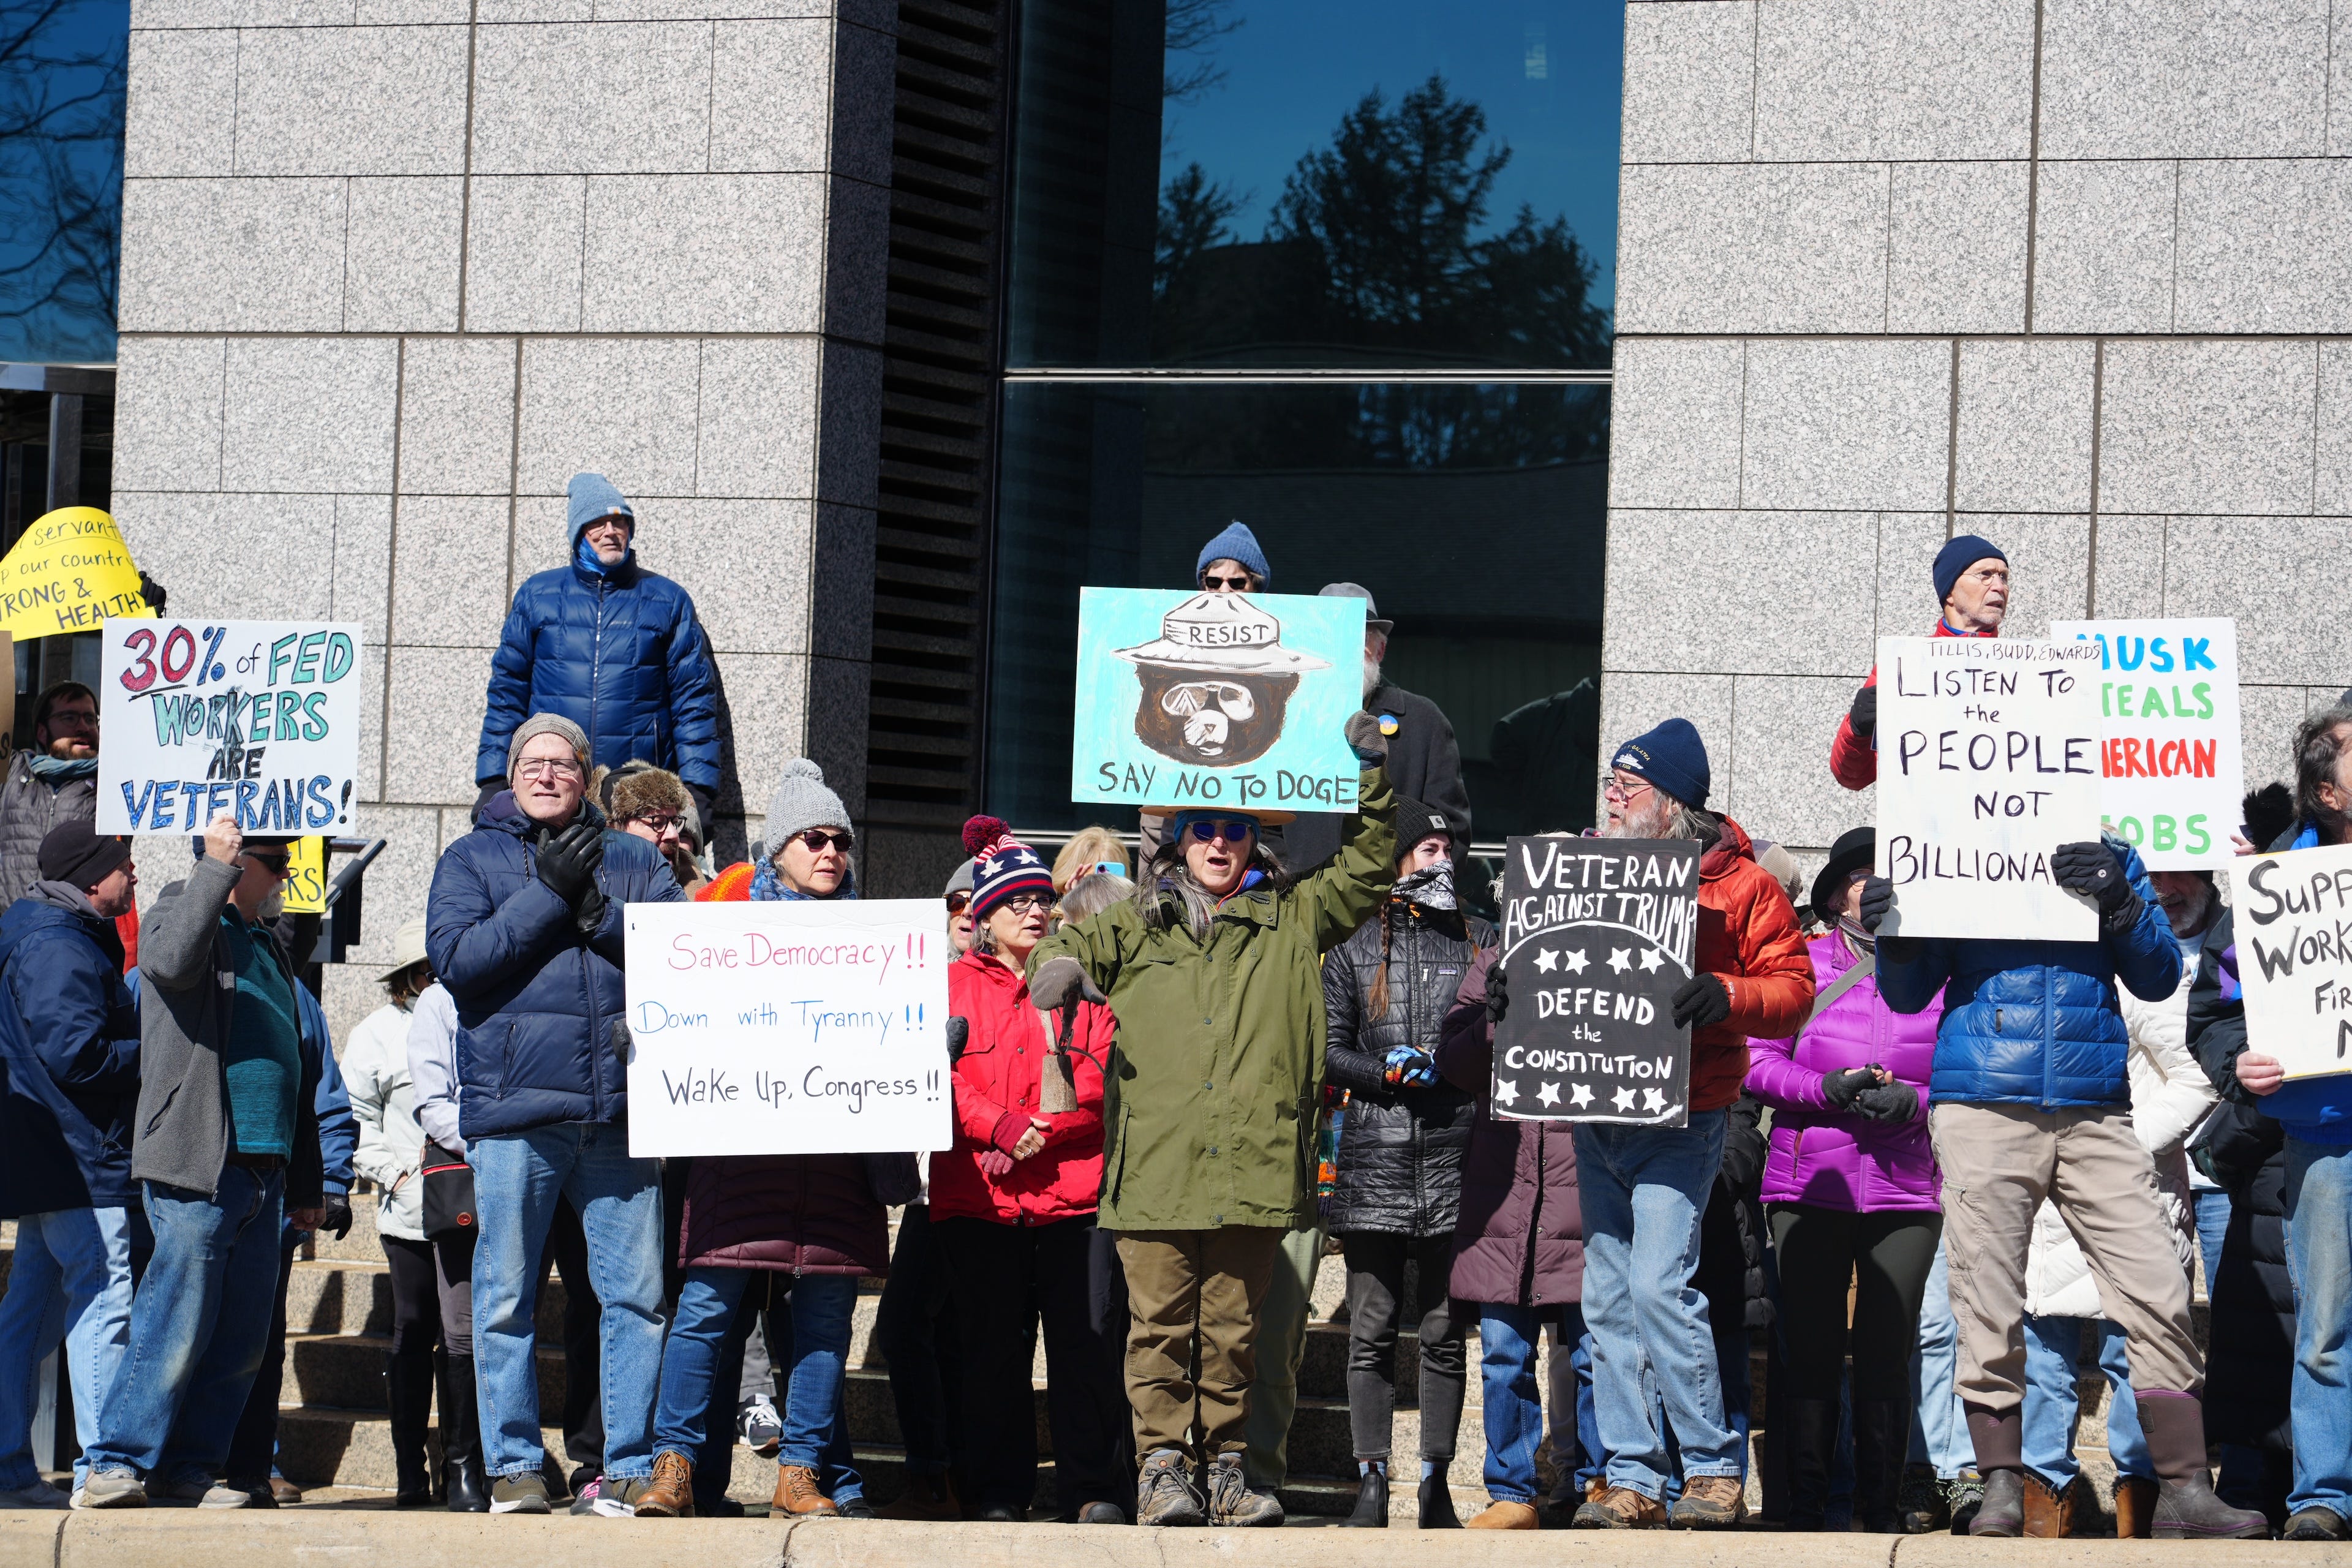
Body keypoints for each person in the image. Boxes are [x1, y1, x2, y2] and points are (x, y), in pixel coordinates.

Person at [1026, 710, 1395, 1528]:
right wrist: (1057, 968)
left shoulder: (1296, 918)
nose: (1219, 844)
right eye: (1204, 831)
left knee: (1233, 1334)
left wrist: (1369, 771)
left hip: (1251, 1170)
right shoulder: (1136, 923)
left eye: (1235, 830)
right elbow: (1072, 948)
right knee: (1157, 1332)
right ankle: (1162, 1472)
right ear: (1180, 842)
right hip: (1157, 1169)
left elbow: (1370, 867)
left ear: (1253, 843)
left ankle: (1230, 1472)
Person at [1861, 822, 2266, 1540]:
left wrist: (2119, 898)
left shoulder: (2114, 849)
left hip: (2096, 1105)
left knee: (2157, 1286)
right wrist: (1891, 930)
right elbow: (1907, 991)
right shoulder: (1949, 838)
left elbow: (2158, 974)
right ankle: (2001, 1488)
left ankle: (2183, 1486)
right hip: (1981, 1096)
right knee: (1985, 1296)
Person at [428, 713, 684, 1515]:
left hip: (618, 1117)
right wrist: (546, 896)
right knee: (505, 1299)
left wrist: (599, 917)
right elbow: (459, 964)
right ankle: (513, 1467)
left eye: (562, 764)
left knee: (636, 1299)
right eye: (531, 763)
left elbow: (688, 958)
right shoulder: (471, 858)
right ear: (512, 775)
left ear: (586, 777)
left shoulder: (636, 860)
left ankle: (629, 1464)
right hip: (516, 1119)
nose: (545, 775)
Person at [1567, 719, 1812, 1529]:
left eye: (1627, 784)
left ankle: (1709, 1467)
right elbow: (1541, 962)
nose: (1613, 796)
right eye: (1611, 781)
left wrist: (1728, 993)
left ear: (1670, 802)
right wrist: (1515, 996)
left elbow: (1794, 991)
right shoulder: (1585, 870)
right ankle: (1633, 1474)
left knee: (1655, 1284)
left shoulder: (1743, 885)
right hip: (1597, 1110)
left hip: (1687, 1109)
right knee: (1605, 1298)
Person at [632, 759, 889, 1521]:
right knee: (704, 1314)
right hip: (738, 1165)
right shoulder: (722, 936)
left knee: (822, 1327)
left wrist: (922, 1047)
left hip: (837, 1172)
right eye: (813, 837)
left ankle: (800, 1473)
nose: (830, 852)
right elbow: (681, 1020)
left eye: (841, 840)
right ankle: (672, 1464)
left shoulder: (878, 946)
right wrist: (648, 1038)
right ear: (776, 848)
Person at [78, 816, 328, 1509]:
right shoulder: (176, 909)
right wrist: (211, 871)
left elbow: (295, 1065)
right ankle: (115, 1463)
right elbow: (167, 963)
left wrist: (306, 1178)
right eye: (274, 863)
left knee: (241, 1335)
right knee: (173, 1315)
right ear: (232, 860)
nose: (283, 875)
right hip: (199, 1159)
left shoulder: (266, 947)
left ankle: (188, 1471)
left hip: (263, 1169)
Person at [1743, 826, 1943, 1532]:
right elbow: (1755, 1061)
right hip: (1809, 1182)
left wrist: (1913, 1102)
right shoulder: (1799, 962)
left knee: (1890, 1346)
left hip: (1908, 1185)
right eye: (1862, 874)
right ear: (1834, 896)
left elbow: (1962, 1073)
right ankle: (1804, 1506)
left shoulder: (1940, 970)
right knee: (1812, 1347)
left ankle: (1880, 1509)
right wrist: (1824, 1088)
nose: (1878, 885)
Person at [930, 816, 1129, 1523]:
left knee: (1086, 1352)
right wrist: (996, 1124)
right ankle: (998, 1492)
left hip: (1073, 1201)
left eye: (1042, 898)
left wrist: (1036, 1134)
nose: (1036, 910)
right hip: (979, 1202)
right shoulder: (949, 985)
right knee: (991, 1358)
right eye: (1018, 900)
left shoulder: (1084, 981)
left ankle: (1092, 1490)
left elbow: (1104, 1078)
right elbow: (936, 1078)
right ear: (983, 912)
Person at [2015, 867, 2218, 1537]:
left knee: (2132, 1352)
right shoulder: (2028, 968)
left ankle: (2143, 1497)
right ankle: (2043, 1501)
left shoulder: (2139, 972)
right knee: (2041, 1353)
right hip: (2047, 1205)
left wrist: (2125, 1148)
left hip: (2128, 1190)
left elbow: (2196, 1078)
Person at [2189, 704, 2352, 1540]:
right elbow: (2215, 1013)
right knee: (2327, 1325)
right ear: (2328, 790)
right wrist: (2238, 1064)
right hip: (2327, 1135)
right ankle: (2326, 1495)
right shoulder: (2278, 892)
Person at [1321, 797, 1479, 1529]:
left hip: (1457, 1159)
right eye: (1426, 851)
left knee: (1446, 1333)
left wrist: (1451, 1067)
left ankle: (1436, 1480)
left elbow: (1501, 1044)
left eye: (1448, 849)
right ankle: (1372, 1479)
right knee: (1372, 1329)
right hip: (1375, 1162)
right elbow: (1329, 1050)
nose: (1439, 861)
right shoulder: (1354, 946)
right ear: (1398, 862)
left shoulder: (1482, 938)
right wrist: (1384, 1073)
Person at [0, 822, 140, 1508]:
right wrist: (155, 1054)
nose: (134, 875)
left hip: (52, 1154)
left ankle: (8, 1465)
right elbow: (76, 1055)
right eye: (124, 866)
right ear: (91, 877)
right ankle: (102, 1466)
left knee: (28, 1311)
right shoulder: (58, 945)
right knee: (104, 1293)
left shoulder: (52, 935)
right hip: (79, 1155)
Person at [1435, 913, 1582, 1531]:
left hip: (1584, 1189)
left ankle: (1592, 1484)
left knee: (1588, 1354)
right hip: (1505, 1190)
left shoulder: (1613, 968)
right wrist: (1493, 1019)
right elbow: (1453, 1063)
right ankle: (1512, 1490)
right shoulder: (1492, 962)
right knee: (1503, 1351)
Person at [475, 473, 720, 827]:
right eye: (598, 523)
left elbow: (693, 704)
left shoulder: (668, 601)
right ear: (578, 532)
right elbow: (506, 695)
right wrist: (494, 780)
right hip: (554, 784)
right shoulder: (537, 596)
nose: (611, 531)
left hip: (638, 792)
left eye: (620, 521)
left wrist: (697, 794)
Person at [873, 856, 979, 1521]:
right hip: (927, 1185)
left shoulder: (1006, 980)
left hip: (968, 1181)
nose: (966, 910)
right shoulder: (915, 976)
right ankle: (944, 1476)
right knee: (930, 1330)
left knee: (906, 1323)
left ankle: (937, 1474)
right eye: (955, 901)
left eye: (980, 898)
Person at [341, 918, 440, 1507]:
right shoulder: (377, 1032)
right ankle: (409, 1469)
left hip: (473, 1207)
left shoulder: (472, 1016)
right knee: (413, 1332)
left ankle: (464, 1462)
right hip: (408, 1210)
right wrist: (396, 1176)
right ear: (408, 977)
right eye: (428, 971)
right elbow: (357, 1115)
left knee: (467, 1339)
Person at [1284, 587, 1471, 873]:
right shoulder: (1285, 719)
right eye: (1332, 637)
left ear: (1380, 650)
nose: (1344, 650)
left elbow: (1450, 829)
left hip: (1394, 907)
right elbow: (1262, 822)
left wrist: (1407, 889)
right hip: (1298, 906)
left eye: (1357, 637)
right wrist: (1284, 884)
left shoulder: (1425, 721)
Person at [1830, 536, 2007, 791]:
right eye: (1986, 574)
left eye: (2004, 577)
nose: (1999, 586)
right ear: (1950, 593)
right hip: (1925, 825)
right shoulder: (1904, 664)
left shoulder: (2028, 670)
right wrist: (1857, 729)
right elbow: (1853, 778)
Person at [0, 684, 99, 902]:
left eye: (90, 719)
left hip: (76, 930)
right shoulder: (13, 770)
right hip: (8, 928)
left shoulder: (110, 783)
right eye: (70, 717)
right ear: (42, 732)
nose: (83, 727)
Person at [596, 761, 696, 891]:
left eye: (675, 823)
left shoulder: (702, 895)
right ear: (613, 829)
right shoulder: (586, 895)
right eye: (658, 823)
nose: (674, 835)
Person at [1050, 827, 1128, 895]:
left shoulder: (1129, 909)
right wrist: (1073, 904)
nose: (1099, 889)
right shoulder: (1044, 910)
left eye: (1109, 881)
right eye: (1088, 881)